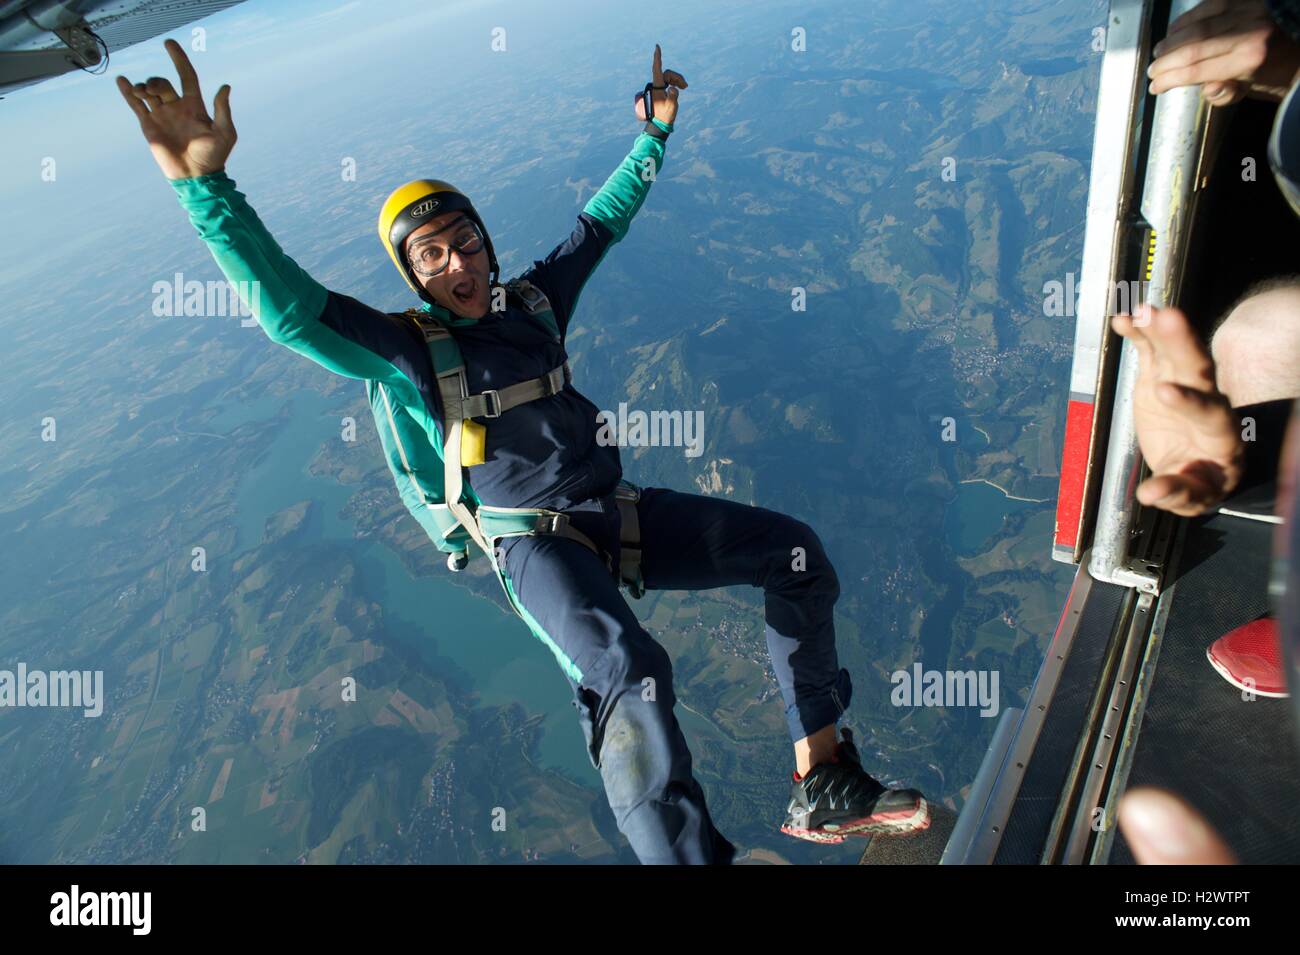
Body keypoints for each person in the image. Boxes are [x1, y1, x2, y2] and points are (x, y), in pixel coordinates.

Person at [116, 39, 929, 864]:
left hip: (615, 513)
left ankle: (822, 779)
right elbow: (292, 312)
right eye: (429, 256)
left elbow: (598, 225)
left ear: (485, 242)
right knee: (627, 666)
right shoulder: (405, 352)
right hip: (531, 544)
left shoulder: (533, 304)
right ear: (412, 276)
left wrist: (652, 136)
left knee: (795, 554)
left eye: (463, 240)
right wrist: (203, 187)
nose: (455, 262)